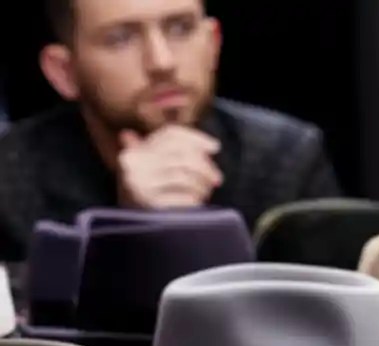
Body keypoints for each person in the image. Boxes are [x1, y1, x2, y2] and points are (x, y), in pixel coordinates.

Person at [0, 0, 343, 265]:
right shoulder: (10, 174)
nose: (162, 62)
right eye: (121, 38)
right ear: (64, 72)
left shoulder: (285, 155)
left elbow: (329, 322)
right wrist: (125, 230)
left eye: (180, 28)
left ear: (213, 44)